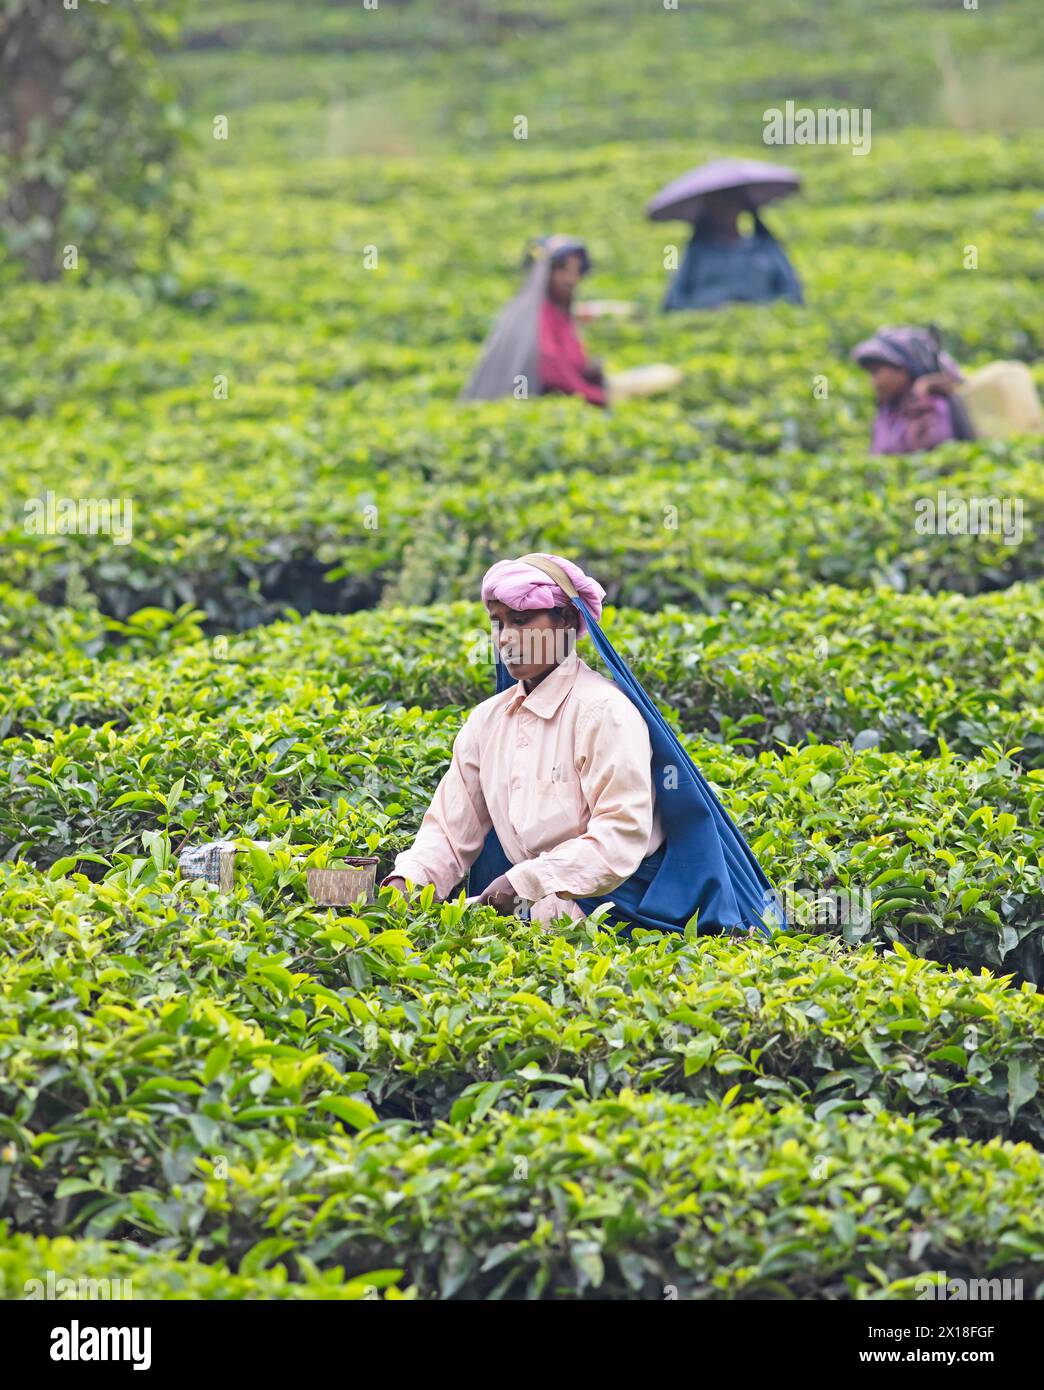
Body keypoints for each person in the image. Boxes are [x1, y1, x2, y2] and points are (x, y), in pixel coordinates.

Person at [382, 552, 784, 937]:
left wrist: (525, 880)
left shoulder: (603, 711)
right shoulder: (486, 722)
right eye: (498, 623)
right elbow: (449, 831)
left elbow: (619, 836)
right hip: (534, 910)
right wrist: (408, 882)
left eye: (521, 621)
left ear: (568, 622)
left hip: (621, 916)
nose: (505, 638)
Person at [460, 235, 607, 406]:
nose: (570, 279)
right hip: (531, 404)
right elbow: (529, 374)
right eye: (563, 270)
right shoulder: (528, 317)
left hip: (560, 403)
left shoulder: (560, 314)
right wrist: (593, 395)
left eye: (576, 271)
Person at [663, 192, 803, 312]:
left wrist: (757, 309)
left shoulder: (764, 247)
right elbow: (674, 301)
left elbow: (792, 292)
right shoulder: (697, 253)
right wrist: (706, 310)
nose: (725, 212)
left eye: (730, 204)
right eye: (718, 206)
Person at [851, 326, 974, 455]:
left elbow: (930, 451)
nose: (873, 382)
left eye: (876, 372)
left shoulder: (936, 404)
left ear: (903, 368)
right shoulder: (889, 409)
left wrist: (920, 397)